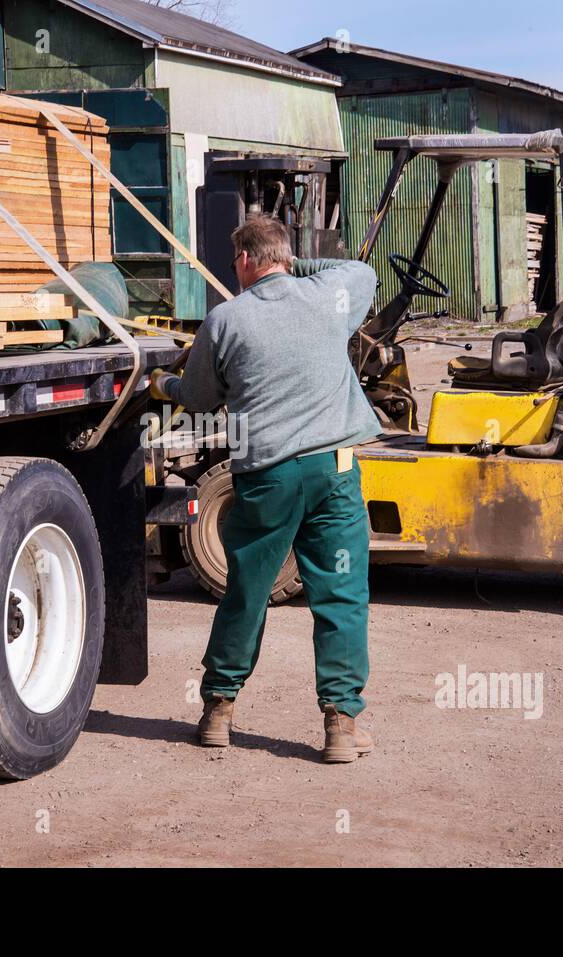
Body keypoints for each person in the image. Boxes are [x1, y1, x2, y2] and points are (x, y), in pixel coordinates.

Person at [150, 215, 380, 763]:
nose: (235, 270)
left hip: (266, 477)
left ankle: (217, 713)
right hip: (334, 471)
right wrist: (298, 264)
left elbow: (202, 398)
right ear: (286, 256)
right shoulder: (330, 295)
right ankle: (341, 726)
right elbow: (361, 269)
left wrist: (165, 384)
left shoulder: (225, 319)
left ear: (248, 261)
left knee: (247, 593)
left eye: (237, 261)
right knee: (341, 596)